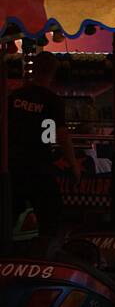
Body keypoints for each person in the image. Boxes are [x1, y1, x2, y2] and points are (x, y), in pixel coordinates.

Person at [7, 51, 80, 241]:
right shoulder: (52, 101)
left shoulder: (15, 97)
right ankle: (45, 249)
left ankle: (7, 249)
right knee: (50, 213)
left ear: (34, 69)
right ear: (53, 73)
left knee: (10, 211)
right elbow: (62, 136)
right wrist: (73, 165)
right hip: (39, 165)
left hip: (13, 163)